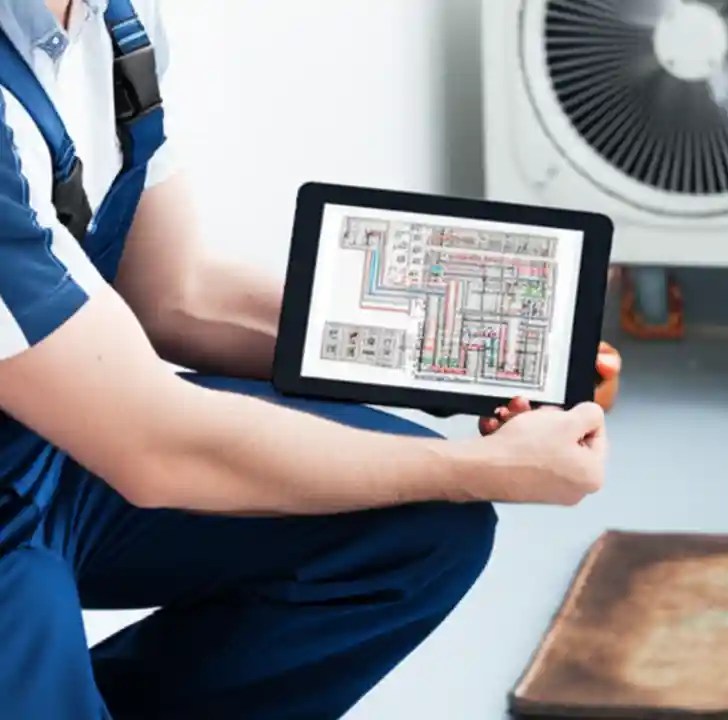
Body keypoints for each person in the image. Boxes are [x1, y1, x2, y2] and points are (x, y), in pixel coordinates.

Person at [0, 1, 608, 718]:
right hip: (56, 483)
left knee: (416, 530)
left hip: (56, 449)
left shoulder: (114, 23)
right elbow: (154, 448)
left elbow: (176, 295)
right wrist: (482, 471)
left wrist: (473, 358)